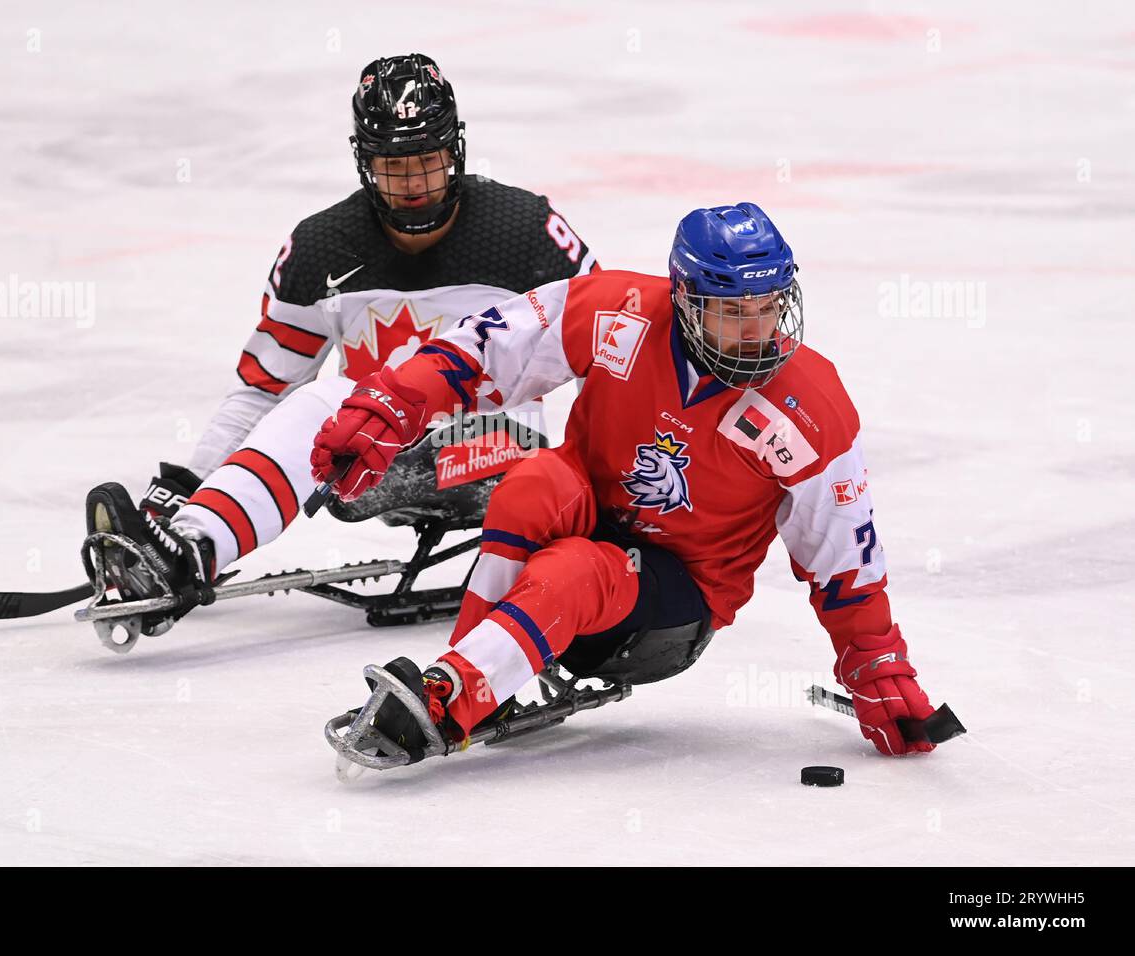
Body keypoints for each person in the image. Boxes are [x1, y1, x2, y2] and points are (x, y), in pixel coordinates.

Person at [313, 202, 942, 759]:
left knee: (574, 569)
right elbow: (488, 347)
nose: (757, 332)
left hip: (674, 602)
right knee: (530, 488)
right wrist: (392, 404)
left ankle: (457, 698)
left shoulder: (809, 406)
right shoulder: (621, 314)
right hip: (592, 507)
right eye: (731, 311)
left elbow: (843, 556)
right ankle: (467, 674)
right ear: (685, 300)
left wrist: (875, 661)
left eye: (768, 307)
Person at [83, 53, 596, 635]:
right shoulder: (321, 247)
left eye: (427, 162)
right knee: (323, 402)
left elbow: (608, 352)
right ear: (363, 163)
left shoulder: (525, 228)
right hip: (369, 459)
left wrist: (602, 485)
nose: (413, 186)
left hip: (504, 452)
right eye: (392, 166)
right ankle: (192, 551)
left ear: (454, 152)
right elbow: (264, 390)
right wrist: (186, 487)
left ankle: (197, 546)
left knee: (328, 402)